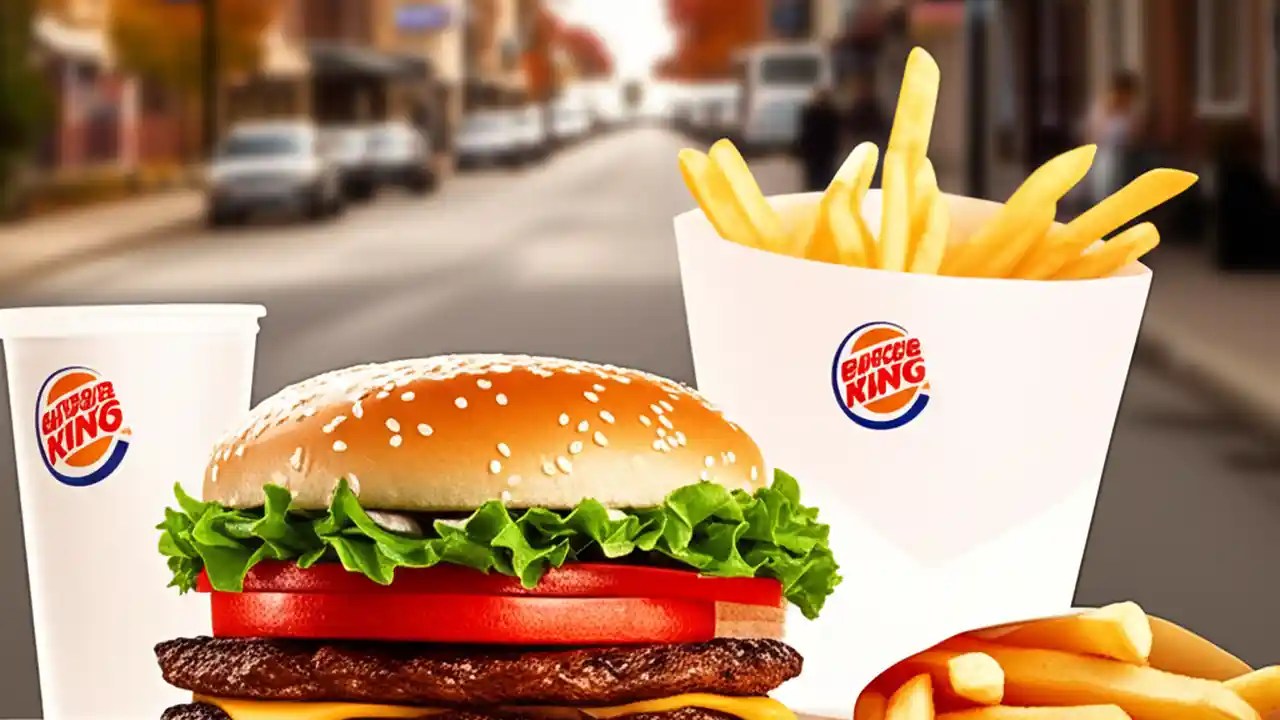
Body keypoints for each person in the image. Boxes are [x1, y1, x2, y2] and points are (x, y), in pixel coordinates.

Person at [1086, 71, 1144, 203]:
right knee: (1105, 182)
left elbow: (1135, 134)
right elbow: (1093, 132)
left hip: (1126, 155)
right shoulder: (1103, 107)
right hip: (1104, 154)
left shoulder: (1131, 111)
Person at [796, 88, 842, 191]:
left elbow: (805, 132)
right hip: (820, 151)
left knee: (819, 176)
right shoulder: (829, 113)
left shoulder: (813, 113)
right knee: (819, 175)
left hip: (819, 151)